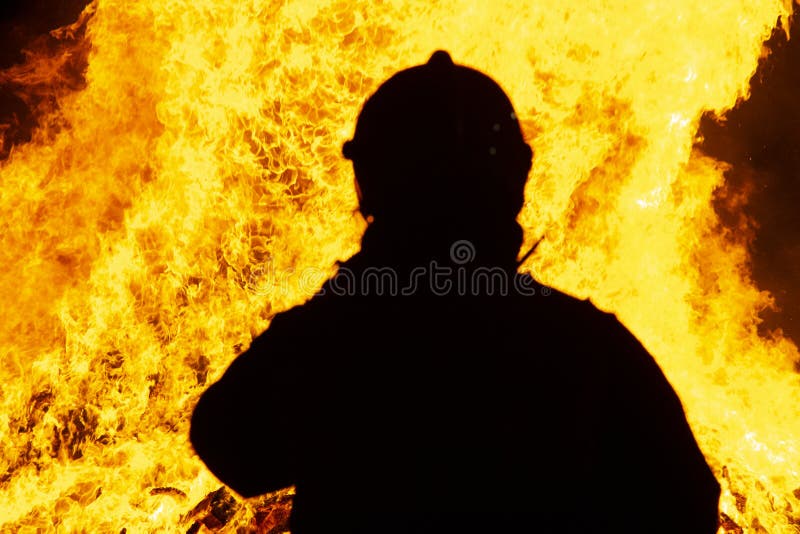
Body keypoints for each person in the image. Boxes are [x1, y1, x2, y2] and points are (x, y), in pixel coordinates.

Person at [190, 50, 720, 533]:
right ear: (515, 176)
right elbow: (686, 503)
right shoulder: (584, 347)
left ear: (370, 180)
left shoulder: (332, 341)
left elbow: (231, 445)